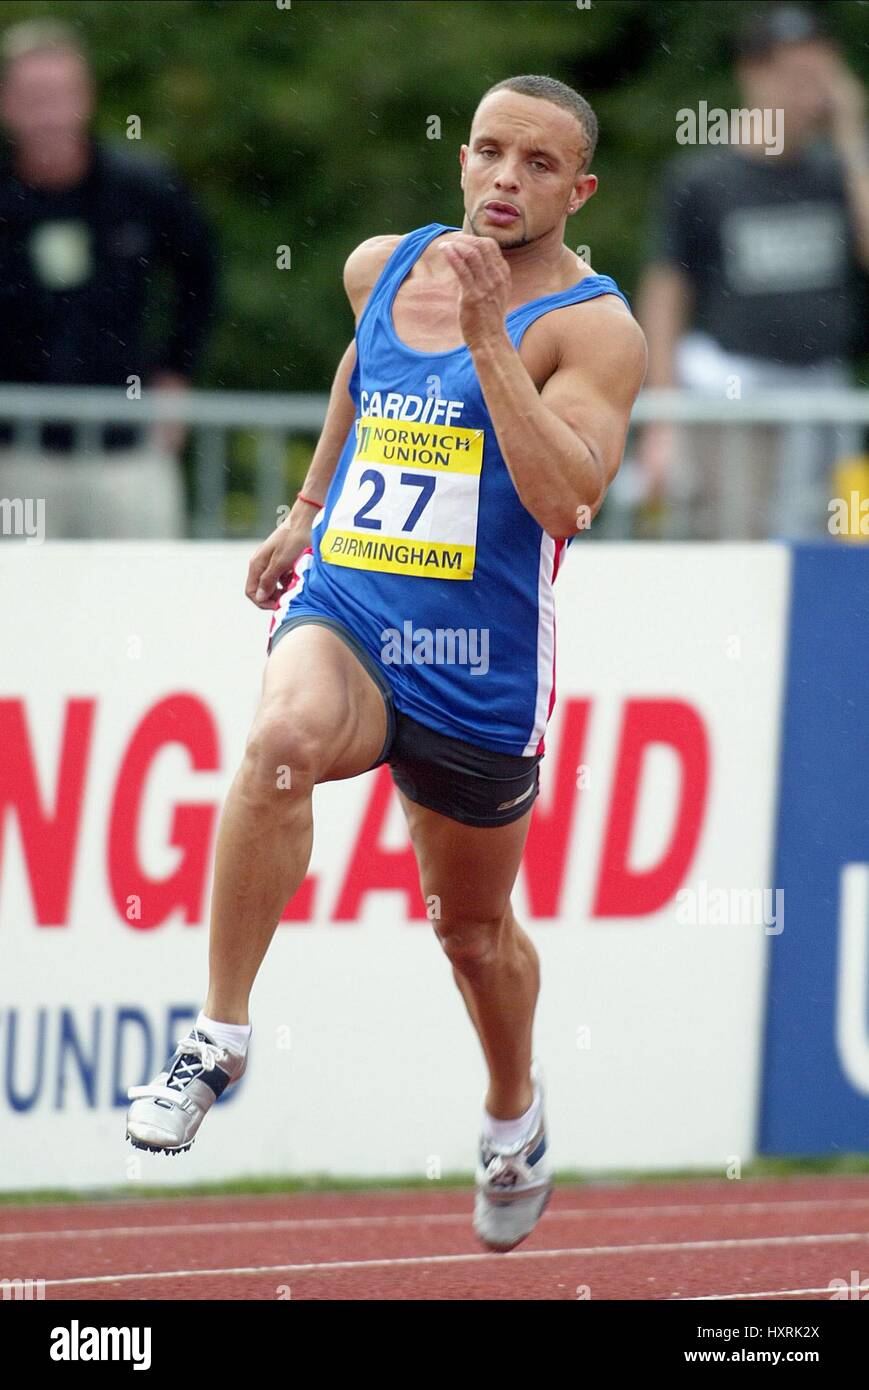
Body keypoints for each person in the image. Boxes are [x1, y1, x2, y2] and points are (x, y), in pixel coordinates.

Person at [126, 74, 646, 1252]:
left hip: (476, 658)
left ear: (578, 188)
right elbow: (362, 375)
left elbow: (567, 497)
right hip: (352, 606)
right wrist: (306, 505)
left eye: (538, 164)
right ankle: (217, 1034)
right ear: (460, 158)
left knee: (470, 933)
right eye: (489, 153)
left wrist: (483, 338)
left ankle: (511, 1112)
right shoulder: (379, 266)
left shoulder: (594, 328)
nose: (506, 180)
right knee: (279, 741)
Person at [636, 4, 869, 539]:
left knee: (835, 549)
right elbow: (666, 295)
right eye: (796, 76)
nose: (809, 93)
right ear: (754, 73)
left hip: (824, 395)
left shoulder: (839, 174)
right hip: (734, 397)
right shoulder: (703, 180)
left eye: (821, 76)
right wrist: (664, 419)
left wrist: (851, 135)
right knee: (736, 542)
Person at [0, 20, 218, 539]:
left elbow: (202, 272)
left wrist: (176, 374)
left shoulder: (141, 187)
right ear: (7, 103)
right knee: (18, 607)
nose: (49, 114)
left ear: (86, 98)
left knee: (141, 600)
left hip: (127, 448)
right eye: (34, 97)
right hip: (14, 453)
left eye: (60, 95)